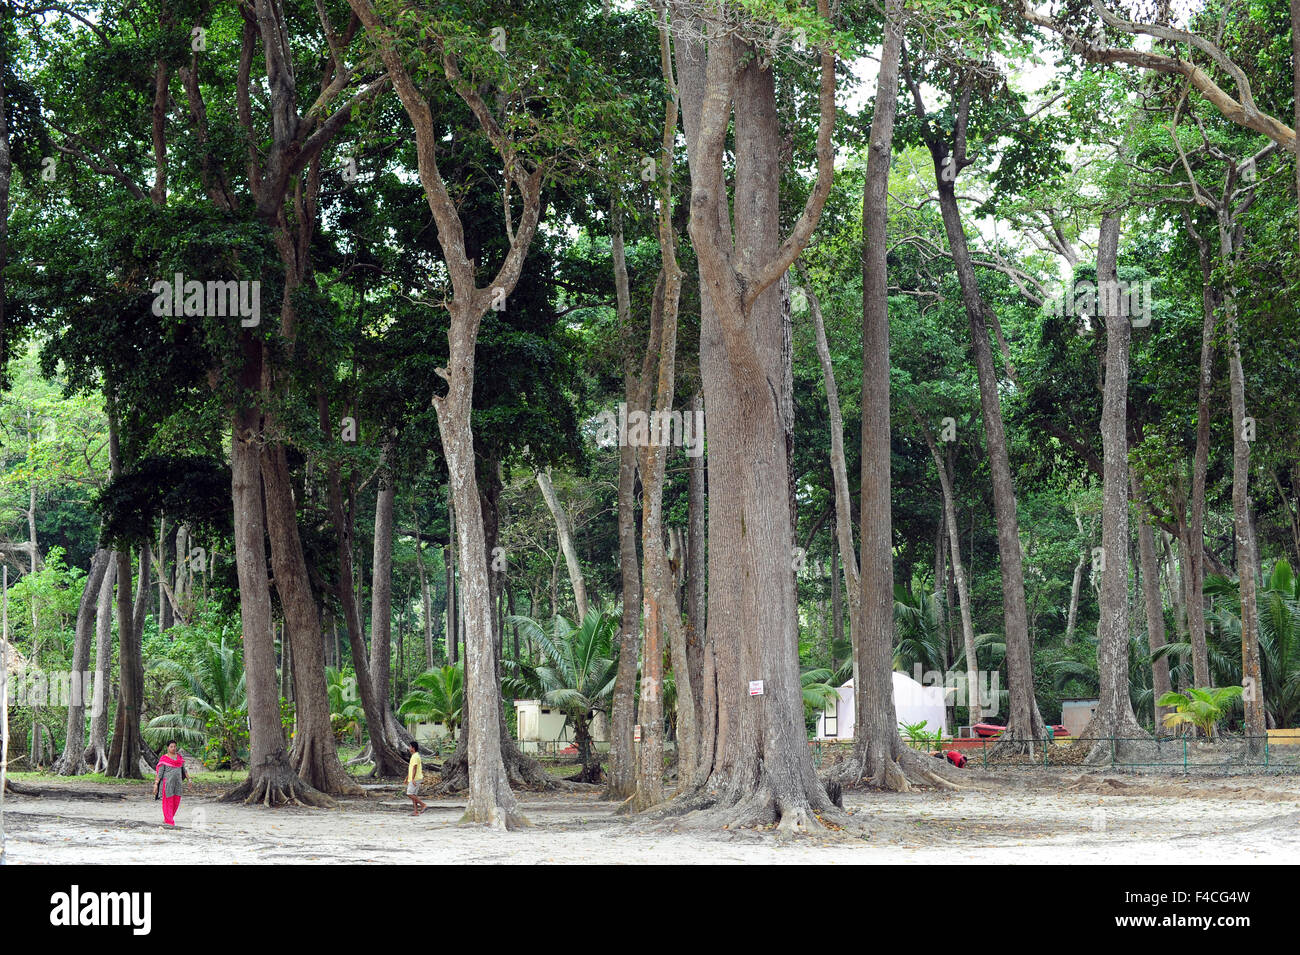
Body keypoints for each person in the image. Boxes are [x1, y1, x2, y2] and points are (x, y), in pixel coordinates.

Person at [152, 740, 188, 826]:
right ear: (168, 748)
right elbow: (160, 773)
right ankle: (169, 821)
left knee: (176, 802)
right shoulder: (164, 758)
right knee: (168, 802)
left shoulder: (179, 758)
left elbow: (184, 770)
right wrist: (156, 784)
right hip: (167, 784)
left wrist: (189, 780)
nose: (173, 748)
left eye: (174, 746)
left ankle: (168, 818)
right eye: (171, 747)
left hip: (178, 784)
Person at [405, 740, 427, 816]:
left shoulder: (415, 756)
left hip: (415, 778)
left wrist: (413, 779)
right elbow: (411, 768)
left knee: (409, 794)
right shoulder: (415, 756)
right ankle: (415, 811)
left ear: (413, 748)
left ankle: (423, 804)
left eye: (410, 746)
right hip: (414, 778)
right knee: (413, 795)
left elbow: (414, 767)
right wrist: (407, 777)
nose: (408, 748)